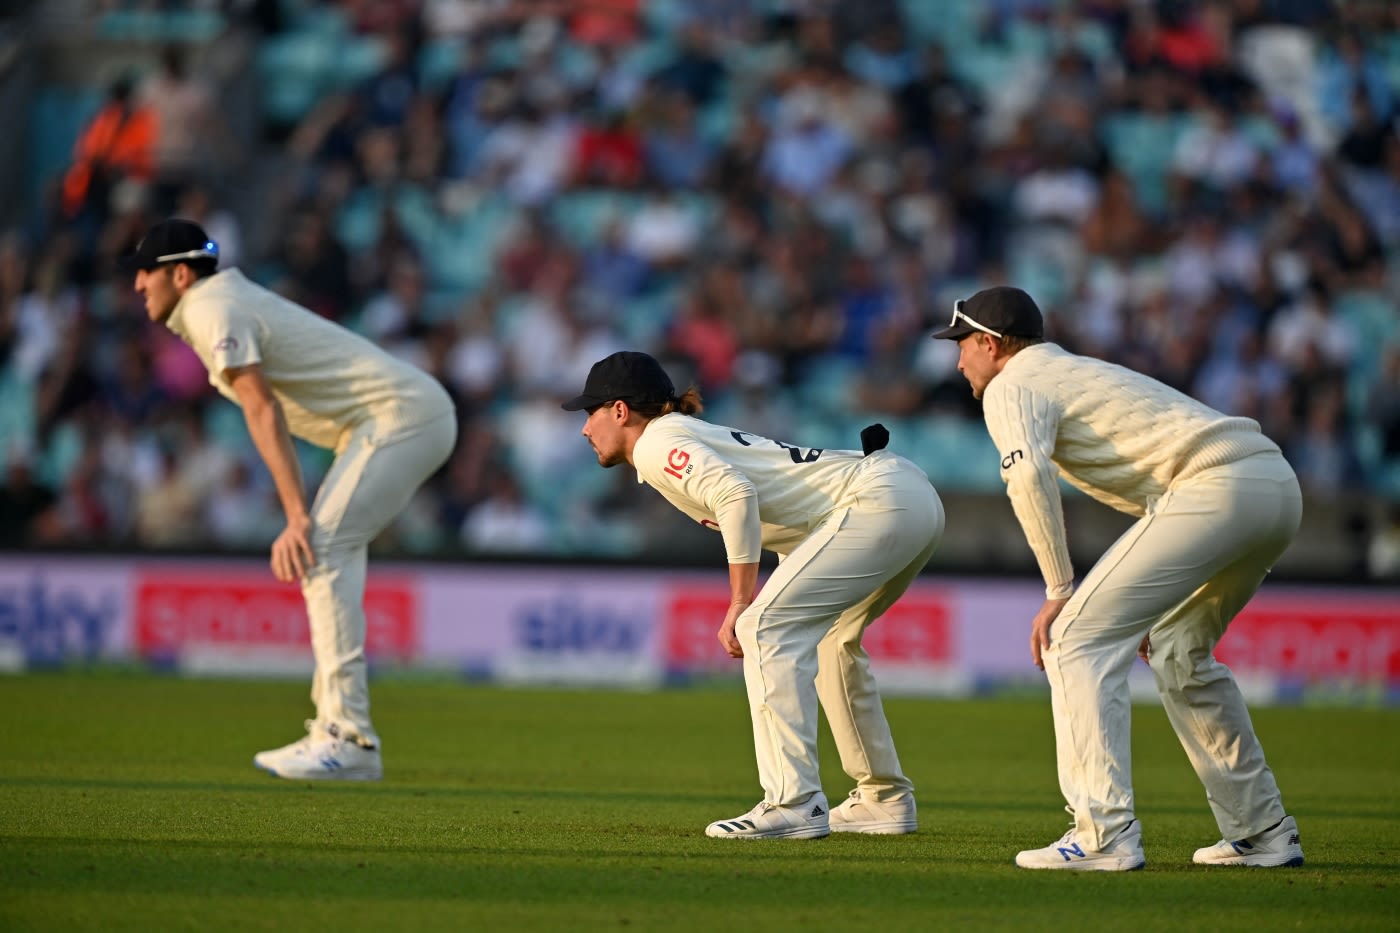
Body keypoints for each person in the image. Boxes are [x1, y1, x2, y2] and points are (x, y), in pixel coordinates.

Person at [935, 286, 1304, 871]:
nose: (958, 362)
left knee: (1074, 639)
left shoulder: (1011, 384)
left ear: (991, 343)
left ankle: (1103, 833)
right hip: (1274, 484)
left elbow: (1027, 477)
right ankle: (1263, 831)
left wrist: (1059, 590)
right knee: (1178, 651)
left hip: (1212, 488)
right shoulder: (1070, 370)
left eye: (962, 345)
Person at [562, 350, 945, 838]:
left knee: (762, 627)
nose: (584, 428)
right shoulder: (682, 434)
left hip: (875, 501)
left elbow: (735, 494)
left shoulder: (657, 441)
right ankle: (883, 799)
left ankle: (793, 802)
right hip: (905, 497)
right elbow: (793, 512)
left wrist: (742, 603)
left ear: (619, 410)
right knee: (831, 643)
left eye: (589, 412)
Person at [125, 219, 456, 780]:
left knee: (320, 547)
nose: (137, 284)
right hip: (390, 419)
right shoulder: (219, 301)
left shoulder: (211, 306)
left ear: (179, 275)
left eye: (145, 272)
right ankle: (337, 730)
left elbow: (262, 408)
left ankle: (346, 736)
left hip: (401, 417)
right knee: (330, 552)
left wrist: (296, 515)